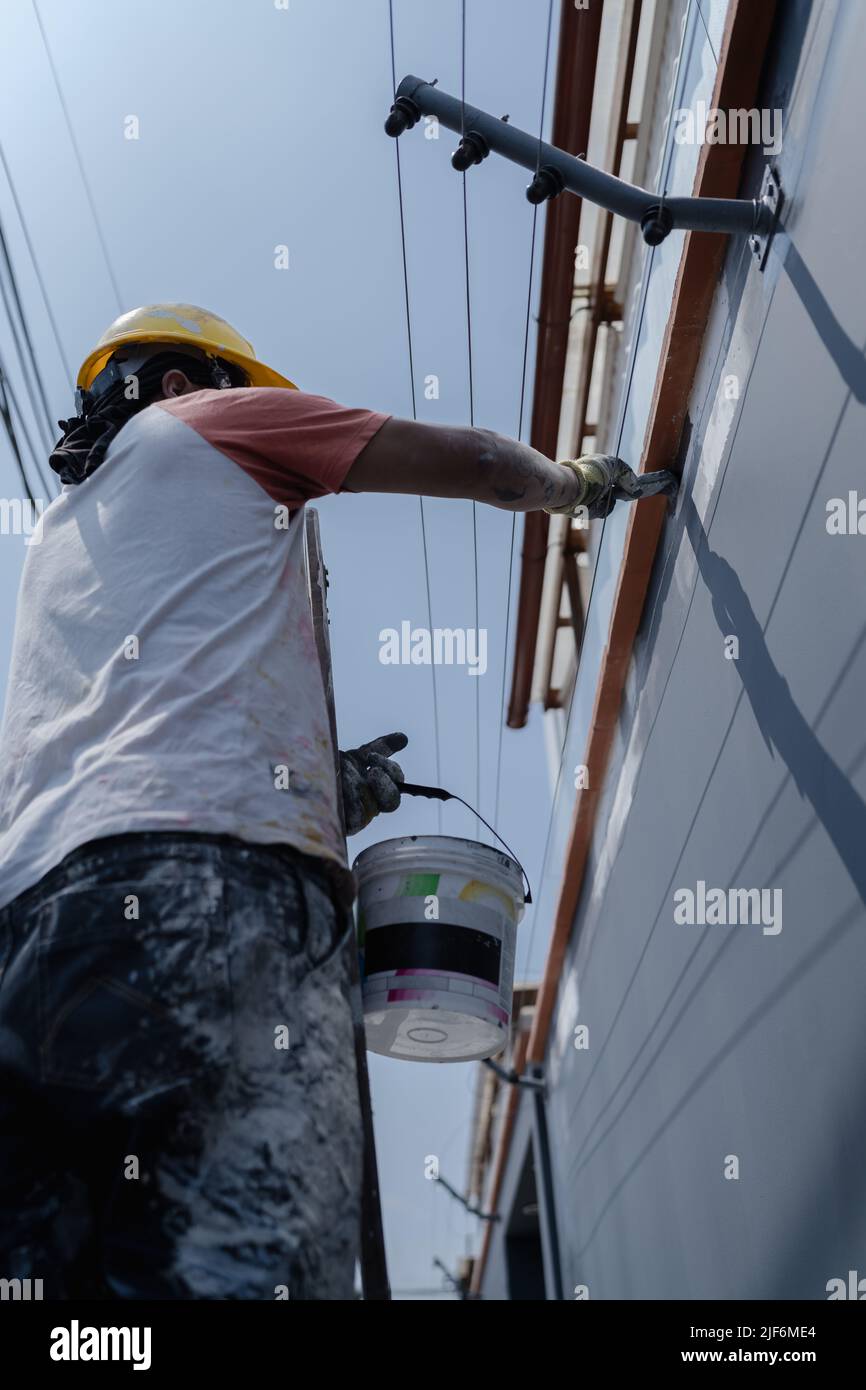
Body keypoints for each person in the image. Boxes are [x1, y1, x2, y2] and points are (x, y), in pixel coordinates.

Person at [0, 303, 675, 1299]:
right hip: (212, 904)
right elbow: (477, 458)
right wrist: (575, 484)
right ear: (188, 383)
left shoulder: (61, 544)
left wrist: (335, 784)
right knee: (242, 1267)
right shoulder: (209, 424)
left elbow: (152, 738)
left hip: (32, 943)